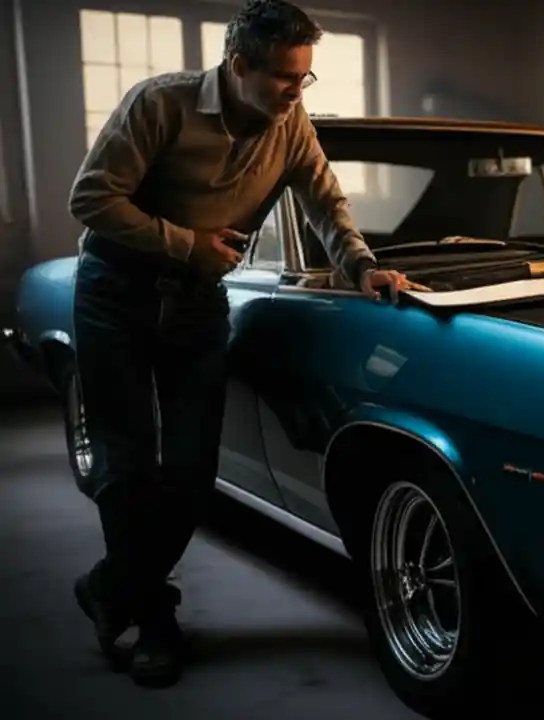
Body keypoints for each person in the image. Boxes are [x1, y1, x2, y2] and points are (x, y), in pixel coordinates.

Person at [66, 0, 408, 688]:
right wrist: (187, 244)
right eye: (284, 76)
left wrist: (363, 265)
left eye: (304, 78)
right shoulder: (158, 105)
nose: (295, 91)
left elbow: (325, 200)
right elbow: (92, 198)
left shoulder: (291, 125)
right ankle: (155, 621)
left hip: (196, 305)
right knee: (127, 465)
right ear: (239, 65)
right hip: (117, 293)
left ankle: (112, 587)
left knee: (192, 473)